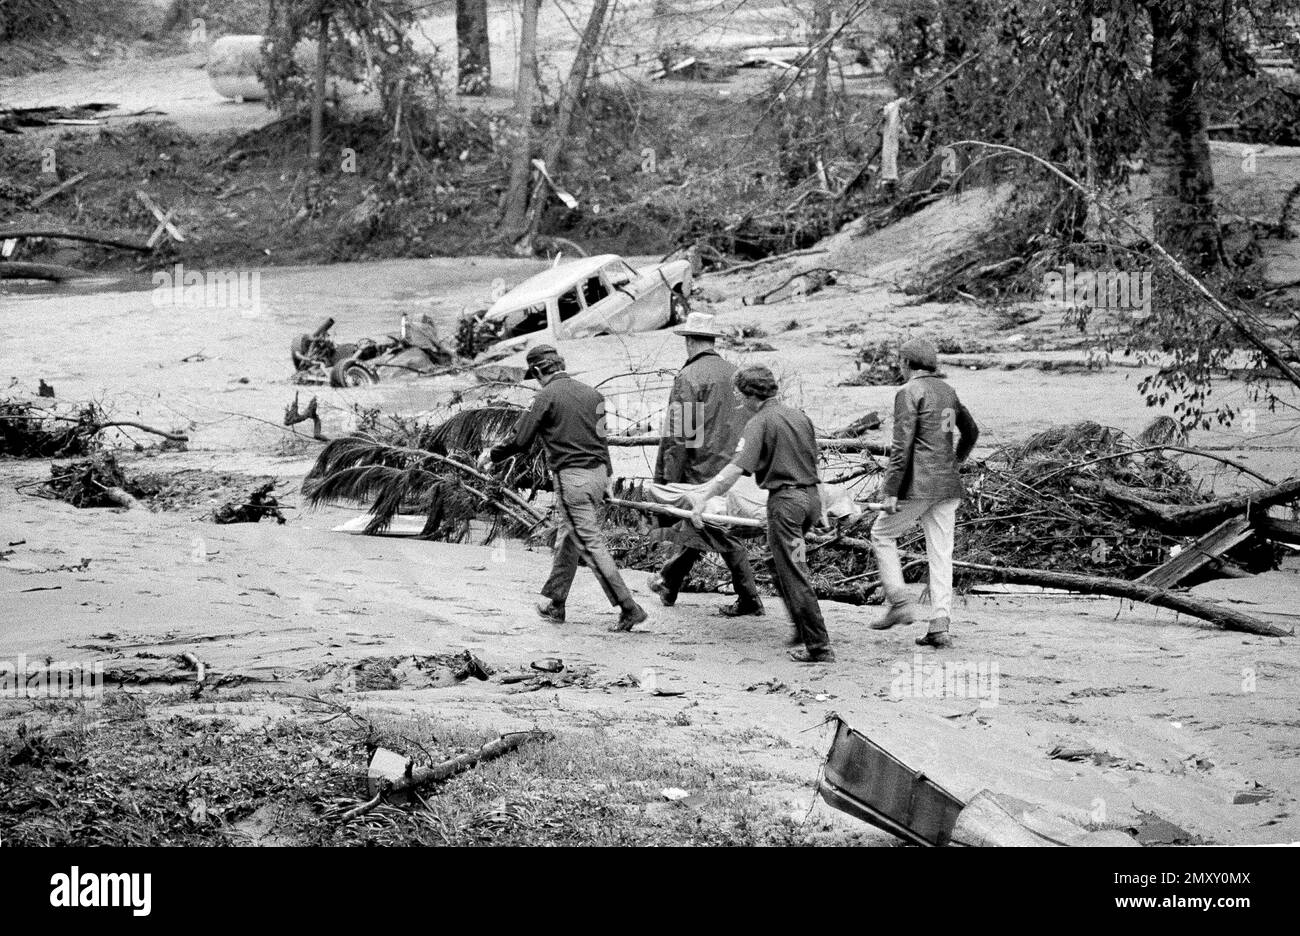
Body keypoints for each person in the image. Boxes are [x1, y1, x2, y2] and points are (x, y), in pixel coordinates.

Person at [486, 345, 648, 632]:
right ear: (560, 364)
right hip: (598, 475)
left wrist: (492, 455)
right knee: (569, 537)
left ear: (538, 371)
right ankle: (556, 603)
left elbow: (520, 441)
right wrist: (608, 478)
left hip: (571, 479)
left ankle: (629, 607)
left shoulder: (545, 395)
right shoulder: (593, 394)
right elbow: (602, 440)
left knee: (589, 543)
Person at [688, 365, 834, 663]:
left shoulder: (760, 422)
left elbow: (734, 471)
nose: (737, 398)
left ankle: (818, 645)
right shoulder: (799, 416)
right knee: (774, 558)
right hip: (809, 499)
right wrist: (820, 510)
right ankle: (801, 627)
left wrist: (703, 498)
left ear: (750, 394)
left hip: (786, 504)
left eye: (739, 393)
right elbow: (813, 465)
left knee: (794, 571)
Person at [648, 312, 762, 617]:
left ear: (688, 341)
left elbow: (679, 432)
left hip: (702, 466)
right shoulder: (737, 372)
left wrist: (668, 478)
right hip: (737, 465)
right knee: (704, 524)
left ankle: (749, 596)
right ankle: (668, 582)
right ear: (712, 341)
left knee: (713, 527)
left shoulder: (689, 377)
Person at [870, 337, 980, 648]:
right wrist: (955, 462)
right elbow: (971, 431)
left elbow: (901, 446)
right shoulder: (947, 390)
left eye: (899, 362)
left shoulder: (908, 392)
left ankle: (898, 600)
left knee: (881, 534)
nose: (898, 367)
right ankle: (940, 623)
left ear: (906, 363)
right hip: (947, 484)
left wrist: (891, 489)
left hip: (920, 483)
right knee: (941, 552)